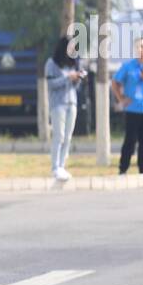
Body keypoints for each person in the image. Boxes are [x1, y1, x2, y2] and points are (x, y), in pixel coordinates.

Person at [111, 38, 143, 175]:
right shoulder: (128, 66)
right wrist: (121, 98)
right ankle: (123, 168)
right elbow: (115, 82)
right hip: (132, 108)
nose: (141, 50)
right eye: (138, 47)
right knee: (130, 139)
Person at [44, 35, 85, 181]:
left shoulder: (73, 64)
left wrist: (78, 78)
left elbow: (75, 87)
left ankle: (62, 165)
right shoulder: (52, 63)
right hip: (58, 104)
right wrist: (68, 78)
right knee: (59, 135)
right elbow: (51, 84)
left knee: (67, 136)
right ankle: (55, 167)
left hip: (71, 103)